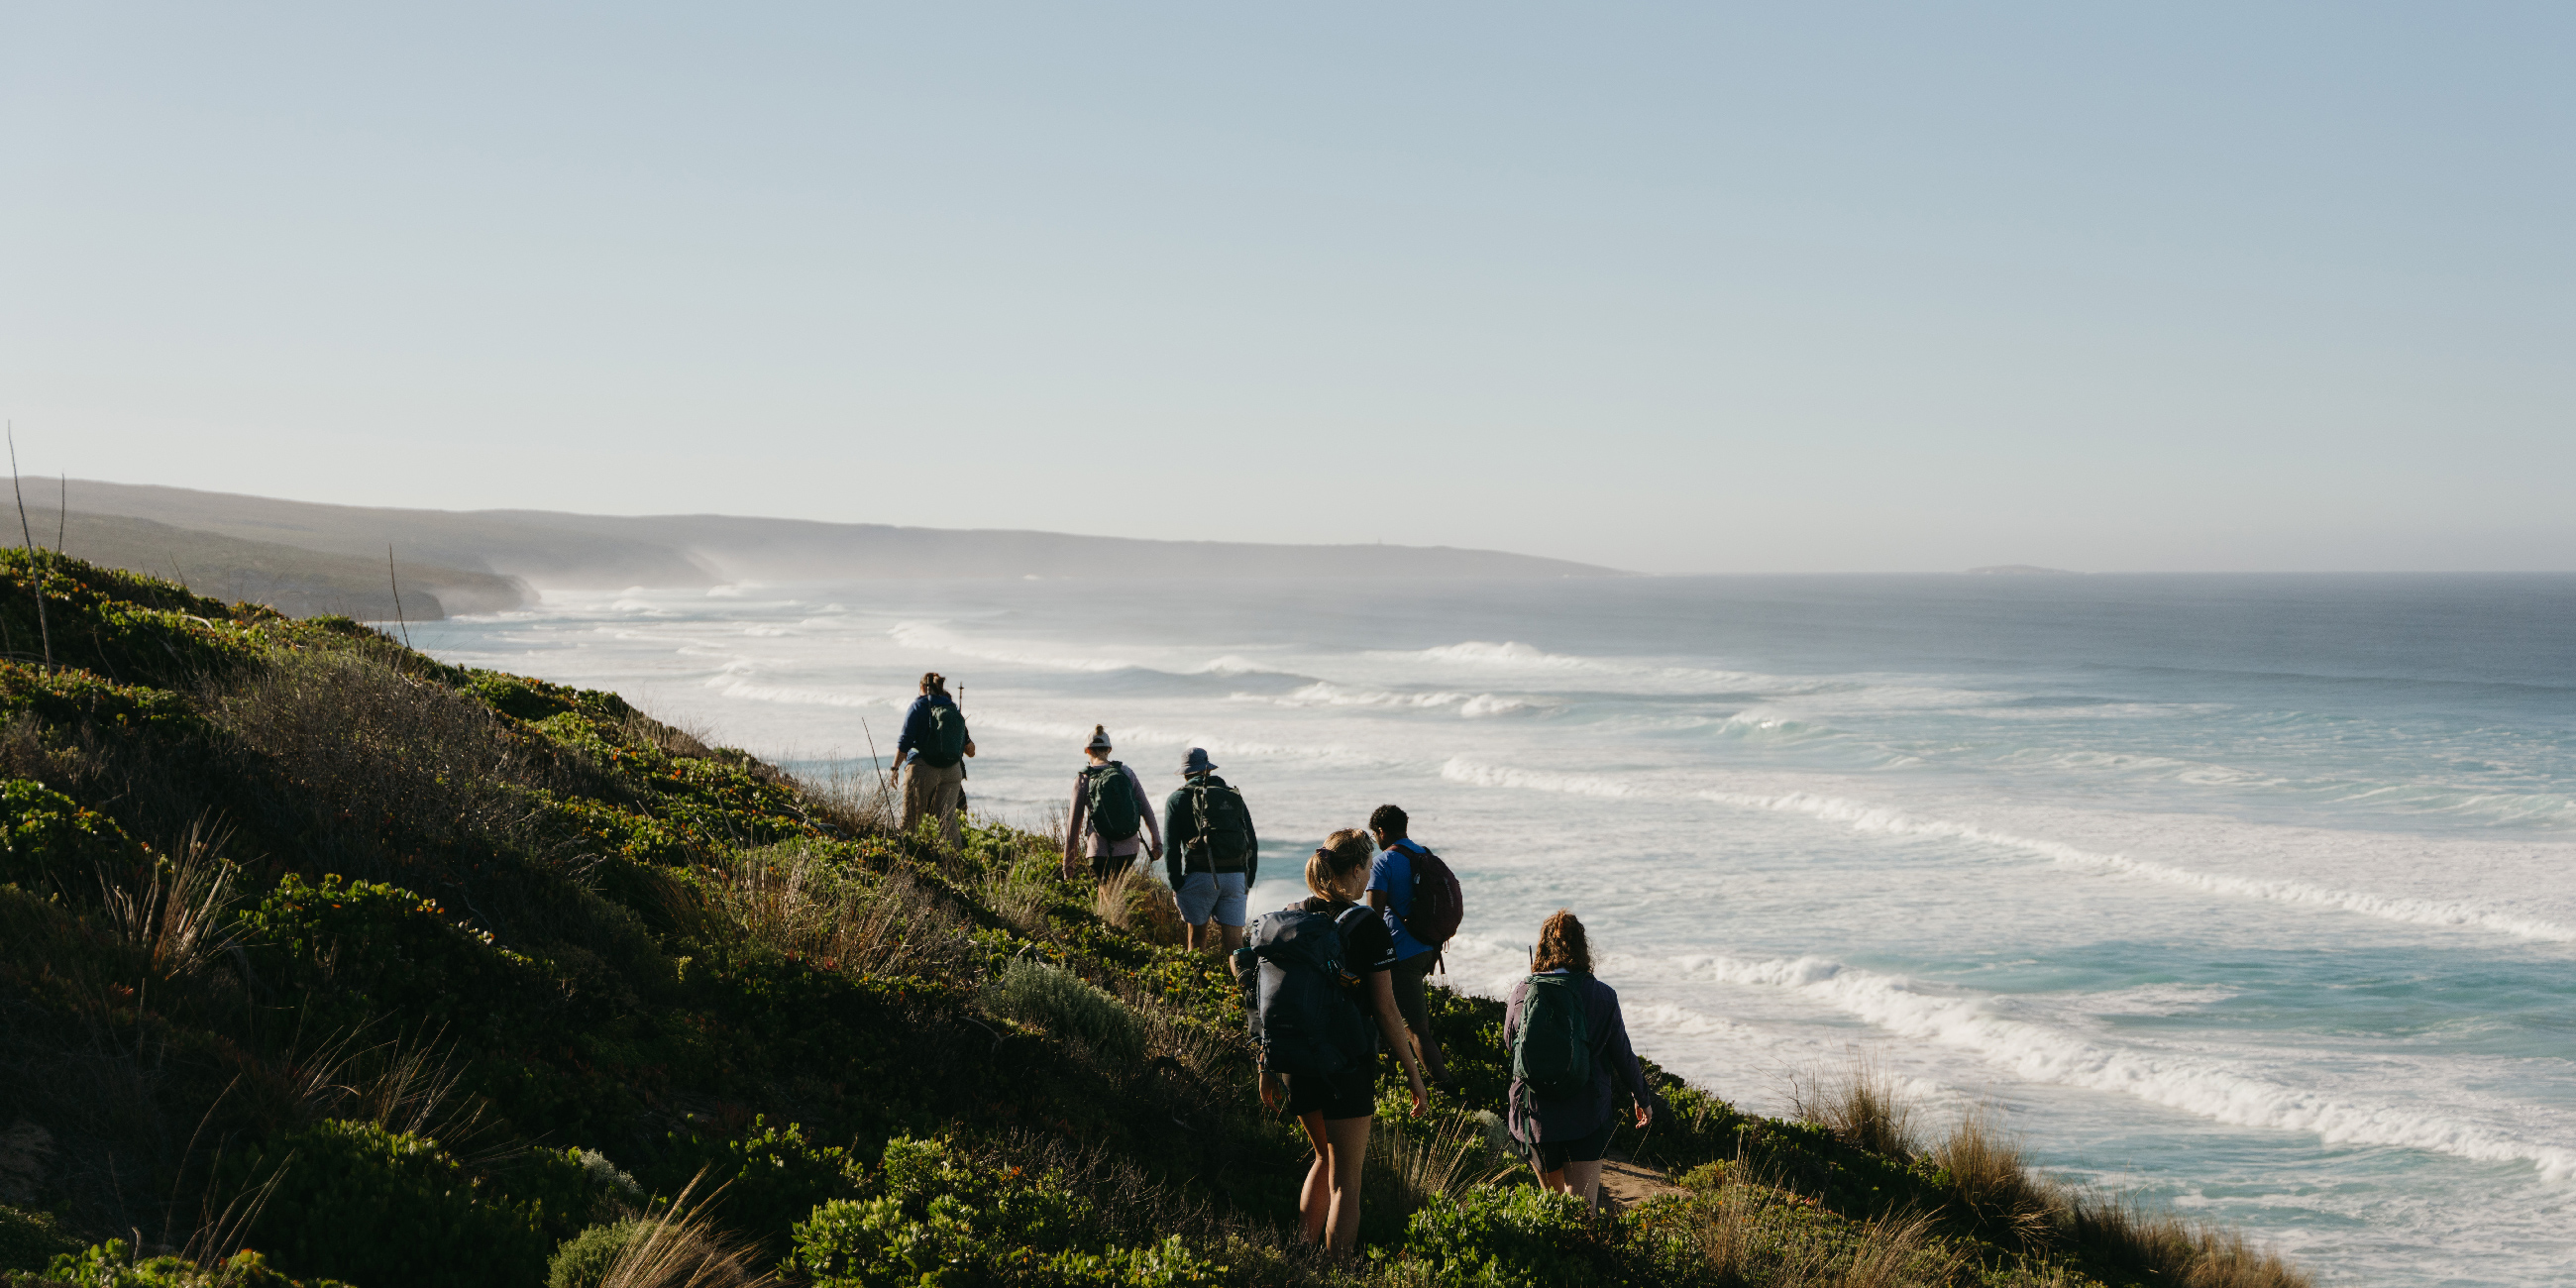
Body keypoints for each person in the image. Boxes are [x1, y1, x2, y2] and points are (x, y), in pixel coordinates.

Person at [1246, 829, 1428, 1254]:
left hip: (1293, 1060)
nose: (1369, 876)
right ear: (1353, 869)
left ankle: (1301, 1259)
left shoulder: (1290, 917)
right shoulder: (1367, 926)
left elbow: (1264, 997)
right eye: (1367, 867)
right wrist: (1414, 1076)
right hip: (1344, 1063)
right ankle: (1338, 1272)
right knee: (1348, 1179)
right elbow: (1386, 1011)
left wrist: (1265, 1065)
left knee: (1322, 1159)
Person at [1504, 911, 1660, 1213]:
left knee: (1553, 1205)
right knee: (1582, 1211)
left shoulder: (1522, 991)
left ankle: (1555, 1257)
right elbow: (1622, 1055)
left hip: (1534, 1117)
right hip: (1585, 1116)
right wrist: (1642, 1097)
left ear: (1543, 947)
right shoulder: (1601, 995)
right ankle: (1581, 1256)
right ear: (1582, 948)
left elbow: (1511, 1044)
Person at [1364, 804, 1452, 1088]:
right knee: (1395, 1014)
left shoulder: (1383, 863)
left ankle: (1446, 1089)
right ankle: (1394, 1072)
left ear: (1380, 832)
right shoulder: (1424, 855)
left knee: (1417, 1031)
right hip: (1428, 950)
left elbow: (1372, 919)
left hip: (1400, 955)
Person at [1163, 747, 1257, 956]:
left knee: (1196, 940)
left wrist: (1176, 883)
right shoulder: (1231, 796)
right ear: (1207, 769)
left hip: (1200, 876)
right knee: (1235, 946)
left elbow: (1171, 848)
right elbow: (1251, 840)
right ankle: (1245, 988)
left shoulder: (1177, 799)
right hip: (1235, 877)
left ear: (1185, 773)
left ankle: (1196, 987)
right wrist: (1247, 880)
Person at [1062, 725, 1163, 881]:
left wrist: (1069, 864)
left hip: (1098, 852)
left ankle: (1113, 906)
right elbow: (1146, 808)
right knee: (1116, 891)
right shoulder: (1126, 772)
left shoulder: (1083, 779)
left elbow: (1073, 824)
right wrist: (1156, 844)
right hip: (1129, 850)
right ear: (1109, 749)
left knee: (1105, 891)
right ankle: (1117, 906)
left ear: (1087, 750)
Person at [895, 672, 974, 847]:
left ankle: (903, 862)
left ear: (922, 687)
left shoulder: (918, 705)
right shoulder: (953, 709)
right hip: (952, 771)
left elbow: (904, 741)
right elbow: (970, 748)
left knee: (910, 820)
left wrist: (894, 768)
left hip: (923, 767)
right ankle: (956, 862)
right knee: (948, 820)